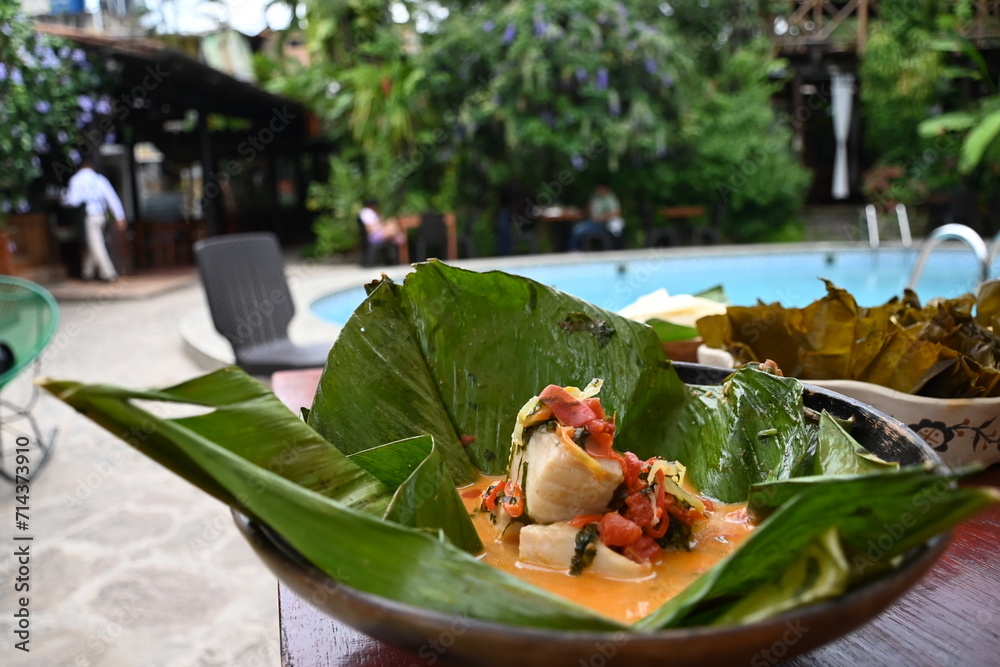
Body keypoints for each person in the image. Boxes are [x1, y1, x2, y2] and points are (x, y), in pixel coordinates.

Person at [62, 158, 127, 282]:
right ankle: (87, 272)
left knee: (96, 244)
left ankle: (108, 273)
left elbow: (73, 201)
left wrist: (63, 200)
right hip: (101, 215)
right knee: (93, 242)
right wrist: (119, 216)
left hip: (89, 216)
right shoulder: (100, 179)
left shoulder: (76, 180)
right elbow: (112, 198)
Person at [568, 185, 625, 250]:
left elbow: (616, 212)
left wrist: (602, 217)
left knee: (577, 230)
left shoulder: (610, 198)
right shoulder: (594, 197)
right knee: (575, 229)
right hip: (592, 222)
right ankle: (574, 250)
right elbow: (587, 212)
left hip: (603, 224)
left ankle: (573, 249)